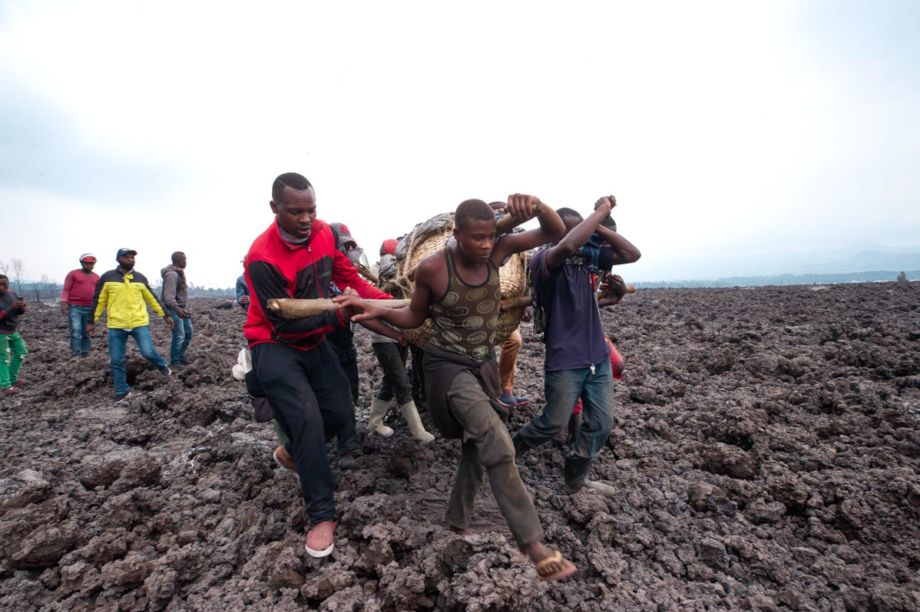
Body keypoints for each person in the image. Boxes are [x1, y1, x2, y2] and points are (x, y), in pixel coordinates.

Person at [337, 196, 578, 582]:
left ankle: (457, 519)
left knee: (476, 445)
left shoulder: (500, 251)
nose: (484, 245)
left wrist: (537, 205)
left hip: (482, 365)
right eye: (476, 238)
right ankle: (534, 545)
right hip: (447, 368)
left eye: (489, 237)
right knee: (497, 442)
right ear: (457, 234)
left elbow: (554, 232)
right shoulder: (432, 268)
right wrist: (378, 309)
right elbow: (416, 315)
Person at [243, 172, 391, 559]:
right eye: (296, 212)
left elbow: (346, 275)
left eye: (311, 210)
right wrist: (344, 316)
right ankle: (321, 515)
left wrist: (386, 302)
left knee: (342, 412)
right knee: (307, 419)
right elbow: (285, 322)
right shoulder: (261, 258)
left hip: (314, 341)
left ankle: (293, 453)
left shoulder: (324, 234)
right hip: (275, 344)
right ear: (275, 208)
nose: (306, 219)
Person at [511, 197, 641, 494]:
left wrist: (600, 228)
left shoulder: (587, 259)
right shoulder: (543, 260)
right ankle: (505, 458)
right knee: (552, 423)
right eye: (575, 230)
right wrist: (601, 211)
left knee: (602, 424)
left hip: (597, 355)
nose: (579, 238)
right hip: (566, 357)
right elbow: (568, 246)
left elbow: (632, 254)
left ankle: (576, 478)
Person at [367, 240, 434, 443]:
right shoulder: (378, 269)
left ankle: (375, 421)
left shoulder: (406, 271)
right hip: (383, 336)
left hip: (401, 332)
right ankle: (417, 429)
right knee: (401, 380)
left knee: (391, 378)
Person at [88, 248, 174, 403]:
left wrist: (165, 315)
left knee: (148, 352)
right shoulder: (108, 278)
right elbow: (99, 301)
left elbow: (152, 299)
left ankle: (163, 366)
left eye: (132, 257)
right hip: (116, 325)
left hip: (138, 322)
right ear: (118, 260)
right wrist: (91, 321)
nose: (130, 259)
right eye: (126, 257)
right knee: (116, 360)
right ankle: (121, 391)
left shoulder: (140, 278)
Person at [61, 253, 100, 357]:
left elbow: (99, 293)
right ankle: (76, 353)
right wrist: (64, 302)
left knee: (86, 330)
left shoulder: (96, 277)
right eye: (87, 263)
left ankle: (85, 352)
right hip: (75, 306)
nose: (89, 265)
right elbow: (66, 289)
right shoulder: (73, 274)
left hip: (90, 307)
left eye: (91, 263)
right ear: (82, 263)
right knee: (76, 329)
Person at [161, 251, 193, 366]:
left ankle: (180, 356)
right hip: (174, 309)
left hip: (181, 308)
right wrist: (177, 309)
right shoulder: (172, 275)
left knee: (188, 333)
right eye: (184, 260)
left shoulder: (179, 273)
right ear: (177, 261)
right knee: (179, 335)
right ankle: (175, 361)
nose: (186, 262)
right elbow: (168, 297)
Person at [0, 275, 28, 396]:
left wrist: (22, 308)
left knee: (21, 353)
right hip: (1, 333)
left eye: (4, 284)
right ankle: (5, 385)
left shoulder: (12, 294)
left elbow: (18, 313)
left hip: (13, 330)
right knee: (3, 359)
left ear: (8, 284)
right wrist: (9, 308)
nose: (1, 287)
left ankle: (12, 379)